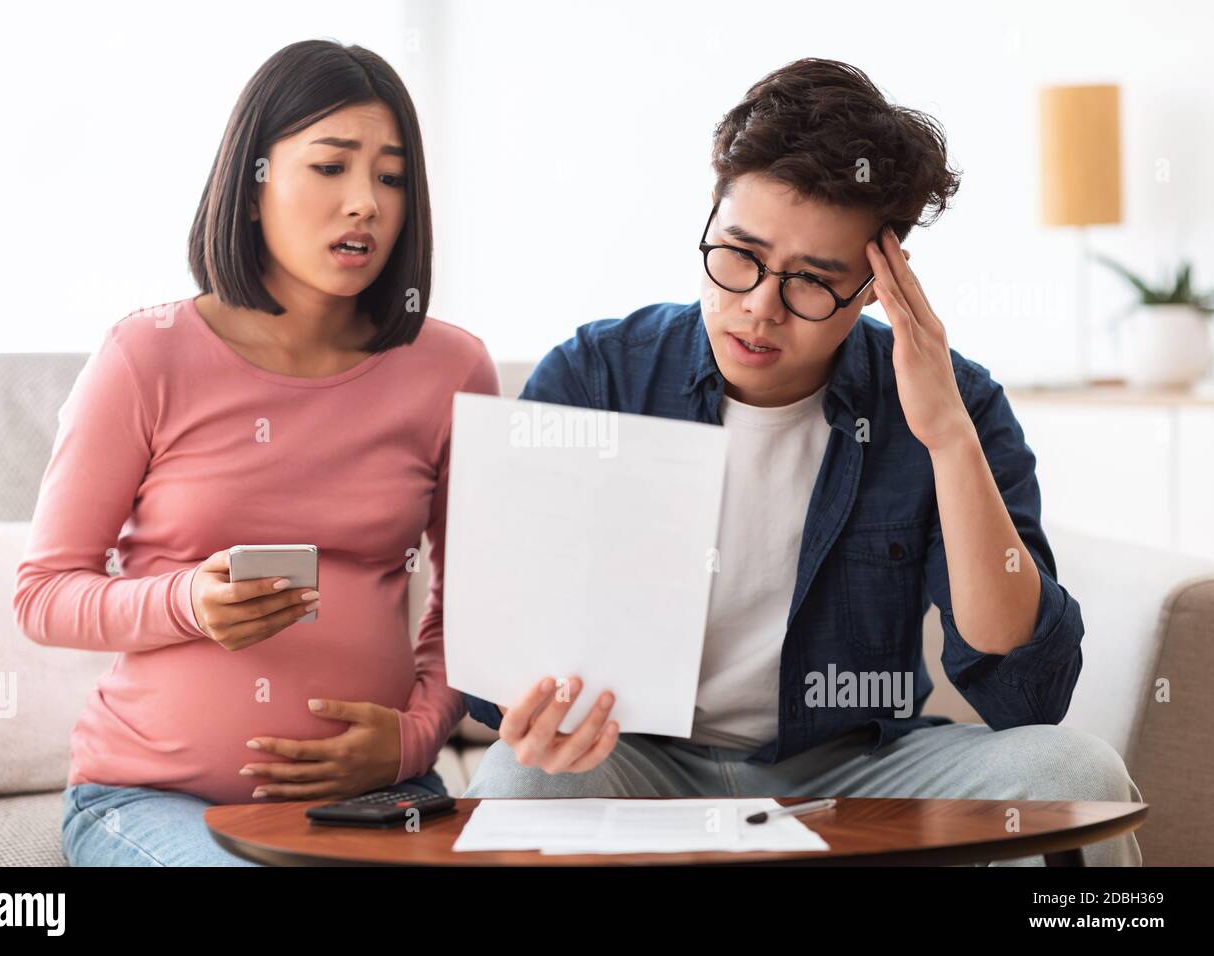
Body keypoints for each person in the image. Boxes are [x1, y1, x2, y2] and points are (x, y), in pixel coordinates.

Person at [461, 58, 1142, 866]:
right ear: (710, 216)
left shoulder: (955, 403)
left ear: (875, 288)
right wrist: (537, 712)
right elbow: (496, 657)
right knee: (514, 780)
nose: (760, 307)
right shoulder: (597, 374)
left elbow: (1022, 689)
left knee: (1076, 773)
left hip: (857, 771)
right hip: (640, 759)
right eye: (739, 255)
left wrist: (947, 439)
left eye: (814, 283)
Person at [13, 39, 498, 866]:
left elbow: (479, 608)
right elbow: (44, 595)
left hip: (383, 799)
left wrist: (415, 739)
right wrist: (186, 604)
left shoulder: (451, 369)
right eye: (331, 167)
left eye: (389, 177)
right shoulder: (147, 355)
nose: (365, 205)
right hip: (156, 798)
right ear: (251, 188)